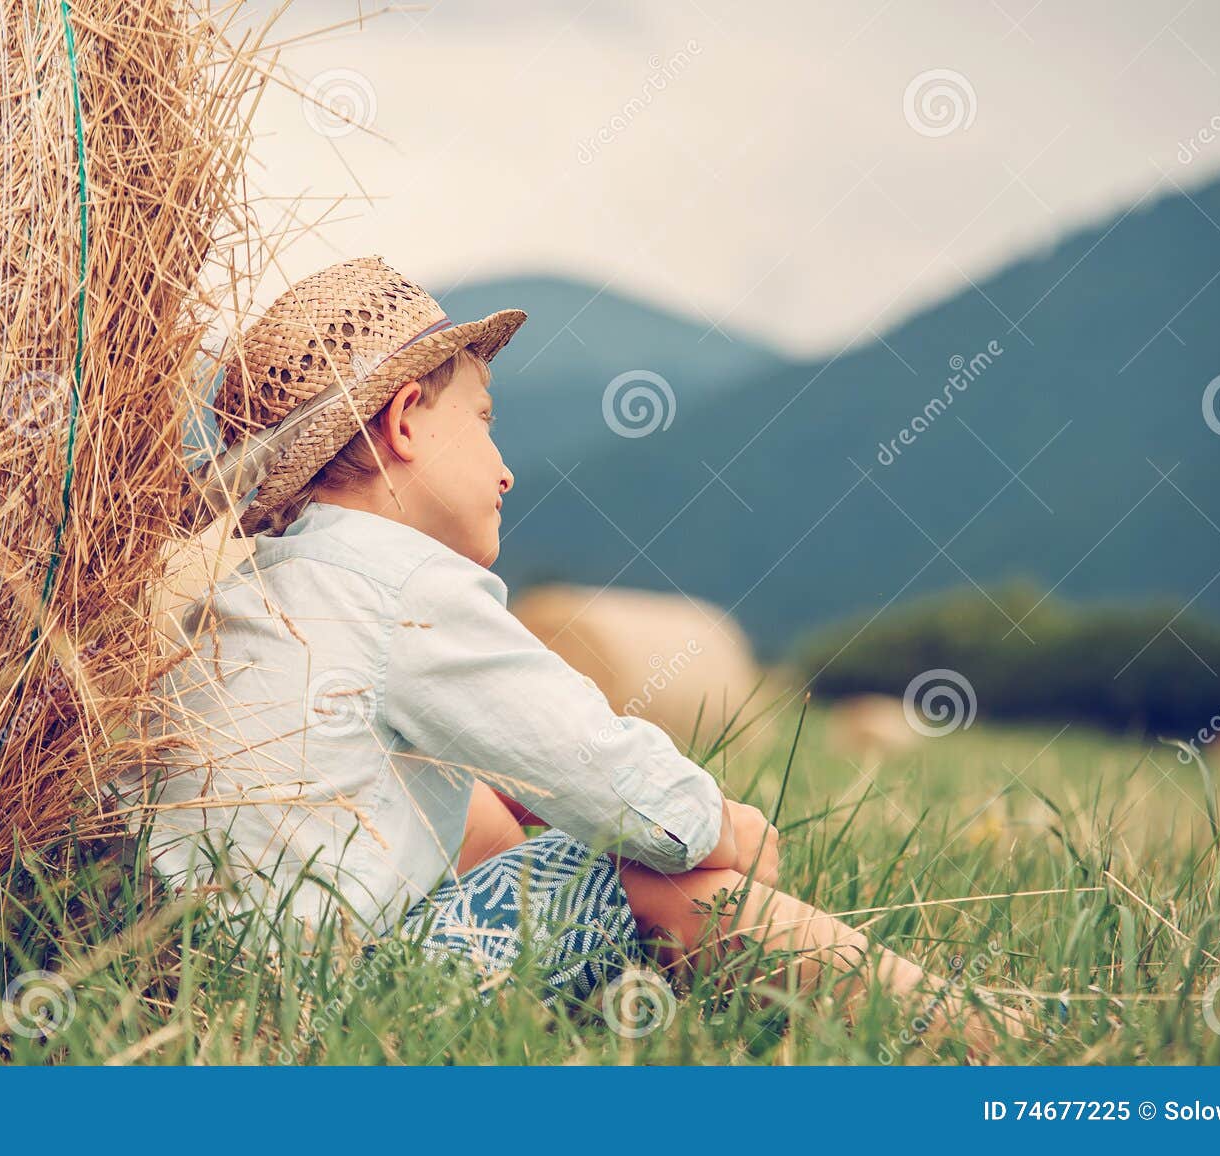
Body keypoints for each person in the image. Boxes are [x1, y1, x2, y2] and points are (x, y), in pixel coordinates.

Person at [136, 255, 1012, 1054]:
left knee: (472, 803)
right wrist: (717, 826)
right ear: (406, 422)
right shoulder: (405, 584)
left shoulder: (254, 591)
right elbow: (613, 778)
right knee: (657, 874)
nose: (506, 468)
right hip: (334, 1009)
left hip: (205, 996)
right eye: (483, 421)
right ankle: (982, 1036)